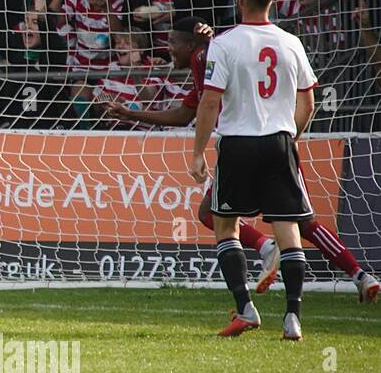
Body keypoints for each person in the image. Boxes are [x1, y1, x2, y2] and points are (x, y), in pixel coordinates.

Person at [106, 16, 379, 303]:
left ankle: (261, 276)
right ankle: (357, 276)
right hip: (275, 144)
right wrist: (131, 113)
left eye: (173, 41)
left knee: (223, 217)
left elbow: (212, 88)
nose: (168, 48)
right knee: (295, 222)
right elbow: (185, 113)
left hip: (242, 146)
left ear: (190, 42)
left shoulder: (204, 57)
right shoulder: (206, 66)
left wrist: (211, 42)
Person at [188, 0, 318, 341]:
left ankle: (245, 309)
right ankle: (292, 316)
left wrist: (198, 153)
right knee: (287, 227)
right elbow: (307, 101)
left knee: (225, 225)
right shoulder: (291, 42)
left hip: (238, 144)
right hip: (279, 141)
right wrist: (292, 135)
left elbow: (210, 101)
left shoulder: (225, 43)